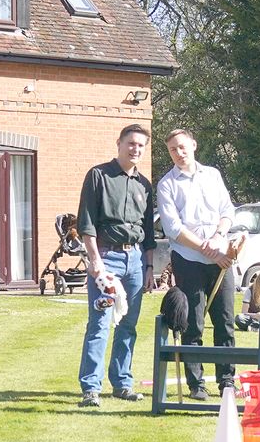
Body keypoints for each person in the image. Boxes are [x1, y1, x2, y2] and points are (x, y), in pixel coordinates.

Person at [75, 124, 156, 408]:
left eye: (141, 146)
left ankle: (122, 384)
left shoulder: (144, 185)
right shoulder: (98, 176)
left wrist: (148, 268)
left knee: (128, 326)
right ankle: (91, 388)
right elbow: (86, 221)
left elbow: (147, 230)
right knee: (99, 324)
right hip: (106, 259)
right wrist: (95, 260)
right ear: (119, 144)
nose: (135, 149)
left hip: (134, 261)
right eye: (131, 143)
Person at [156, 129, 240, 401]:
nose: (179, 153)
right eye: (172, 150)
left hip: (221, 258)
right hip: (188, 259)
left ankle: (227, 382)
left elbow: (227, 211)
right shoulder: (167, 184)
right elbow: (174, 229)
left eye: (182, 147)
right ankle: (196, 384)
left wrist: (218, 237)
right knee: (193, 323)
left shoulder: (213, 175)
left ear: (193, 144)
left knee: (225, 322)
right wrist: (209, 250)